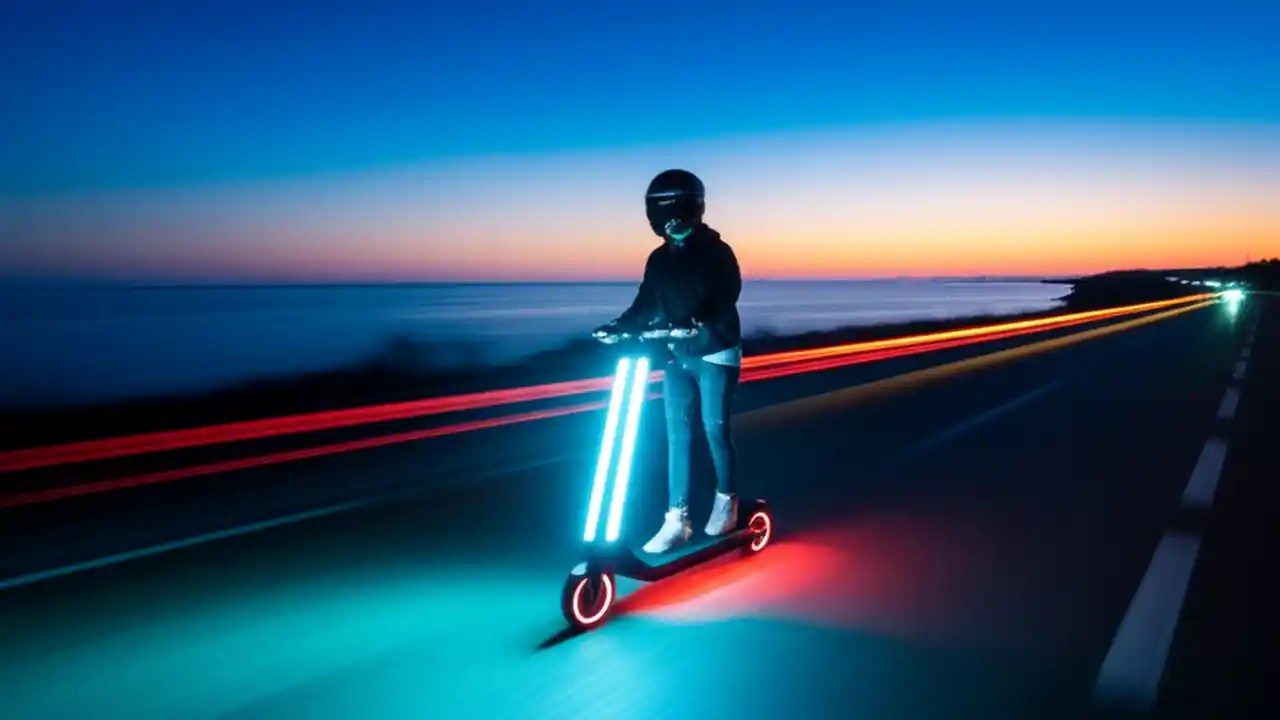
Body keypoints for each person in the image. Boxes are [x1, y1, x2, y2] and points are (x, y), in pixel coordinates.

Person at [594, 169, 743, 554]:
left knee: (714, 430)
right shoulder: (658, 260)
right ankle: (677, 519)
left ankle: (726, 502)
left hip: (715, 352)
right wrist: (620, 326)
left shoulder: (718, 252)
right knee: (676, 436)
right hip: (676, 354)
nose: (670, 225)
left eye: (676, 214)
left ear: (693, 209)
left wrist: (699, 323)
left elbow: (726, 295)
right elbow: (646, 304)